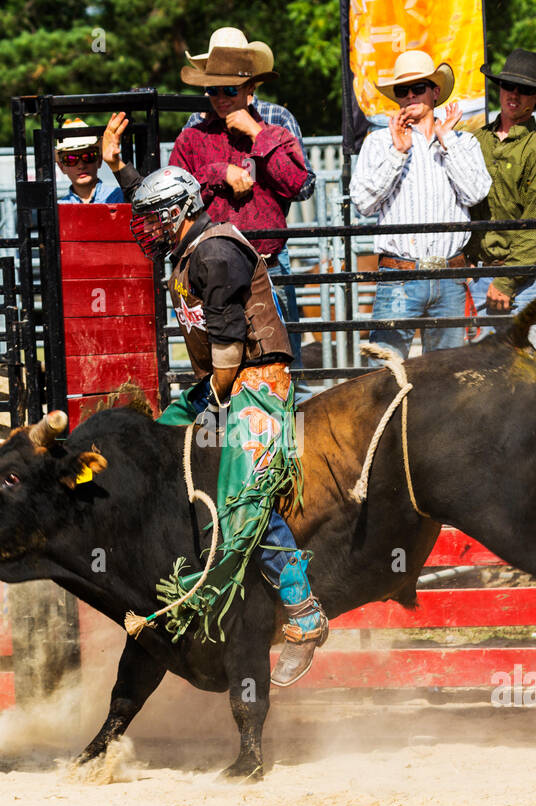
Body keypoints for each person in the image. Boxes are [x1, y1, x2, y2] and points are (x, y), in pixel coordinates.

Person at [106, 141, 328, 686]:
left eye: (155, 220)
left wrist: (219, 409)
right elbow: (154, 193)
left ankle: (303, 613)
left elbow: (229, 346)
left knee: (243, 493)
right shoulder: (191, 243)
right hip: (219, 379)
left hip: (255, 380)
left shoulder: (215, 254)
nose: (148, 229)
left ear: (179, 214)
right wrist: (122, 168)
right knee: (156, 446)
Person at [169, 34, 312, 392]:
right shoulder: (192, 137)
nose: (220, 99)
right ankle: (218, 439)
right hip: (211, 269)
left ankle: (289, 441)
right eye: (213, 91)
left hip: (267, 261)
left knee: (281, 360)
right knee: (216, 364)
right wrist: (219, 172)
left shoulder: (276, 130)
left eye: (229, 91)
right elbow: (175, 192)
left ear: (250, 89)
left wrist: (257, 133)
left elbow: (297, 184)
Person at [350, 49, 492, 359]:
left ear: (435, 92)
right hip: (399, 275)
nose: (411, 96)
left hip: (449, 275)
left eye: (419, 88)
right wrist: (397, 154)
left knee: (448, 380)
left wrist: (447, 140)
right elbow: (362, 202)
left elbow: (476, 193)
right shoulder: (378, 143)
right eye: (403, 90)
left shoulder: (462, 141)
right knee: (386, 374)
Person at [468, 49, 536, 361]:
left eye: (524, 90)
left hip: (527, 281)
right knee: (476, 383)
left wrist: (506, 280)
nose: (514, 94)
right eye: (508, 85)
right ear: (499, 88)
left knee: (532, 381)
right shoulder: (474, 142)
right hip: (480, 276)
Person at [54, 118, 123, 203]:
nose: (81, 166)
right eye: (70, 159)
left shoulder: (121, 198)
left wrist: (117, 164)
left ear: (99, 160)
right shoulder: (59, 209)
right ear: (61, 167)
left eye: (88, 157)